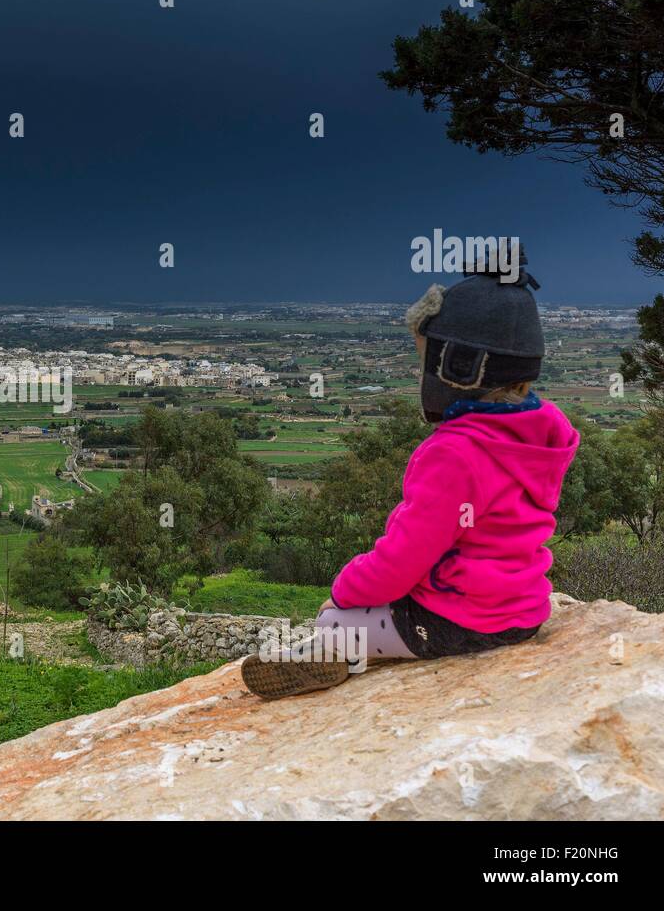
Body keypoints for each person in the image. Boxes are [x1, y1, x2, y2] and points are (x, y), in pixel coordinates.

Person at [242, 262, 579, 699]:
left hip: (458, 620)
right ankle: (352, 644)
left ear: (460, 368)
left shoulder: (456, 454)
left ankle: (336, 648)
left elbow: (404, 558)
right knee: (372, 608)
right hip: (523, 611)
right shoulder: (543, 432)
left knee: (333, 620)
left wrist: (344, 592)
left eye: (427, 361)